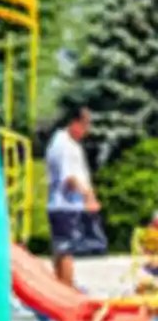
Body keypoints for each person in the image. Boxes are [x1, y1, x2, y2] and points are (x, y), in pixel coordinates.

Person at [45, 105, 98, 288]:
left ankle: (62, 286)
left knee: (63, 249)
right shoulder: (64, 145)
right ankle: (66, 288)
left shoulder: (68, 143)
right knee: (66, 250)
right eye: (85, 124)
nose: (87, 130)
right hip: (64, 205)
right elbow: (69, 178)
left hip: (66, 205)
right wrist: (88, 197)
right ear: (75, 122)